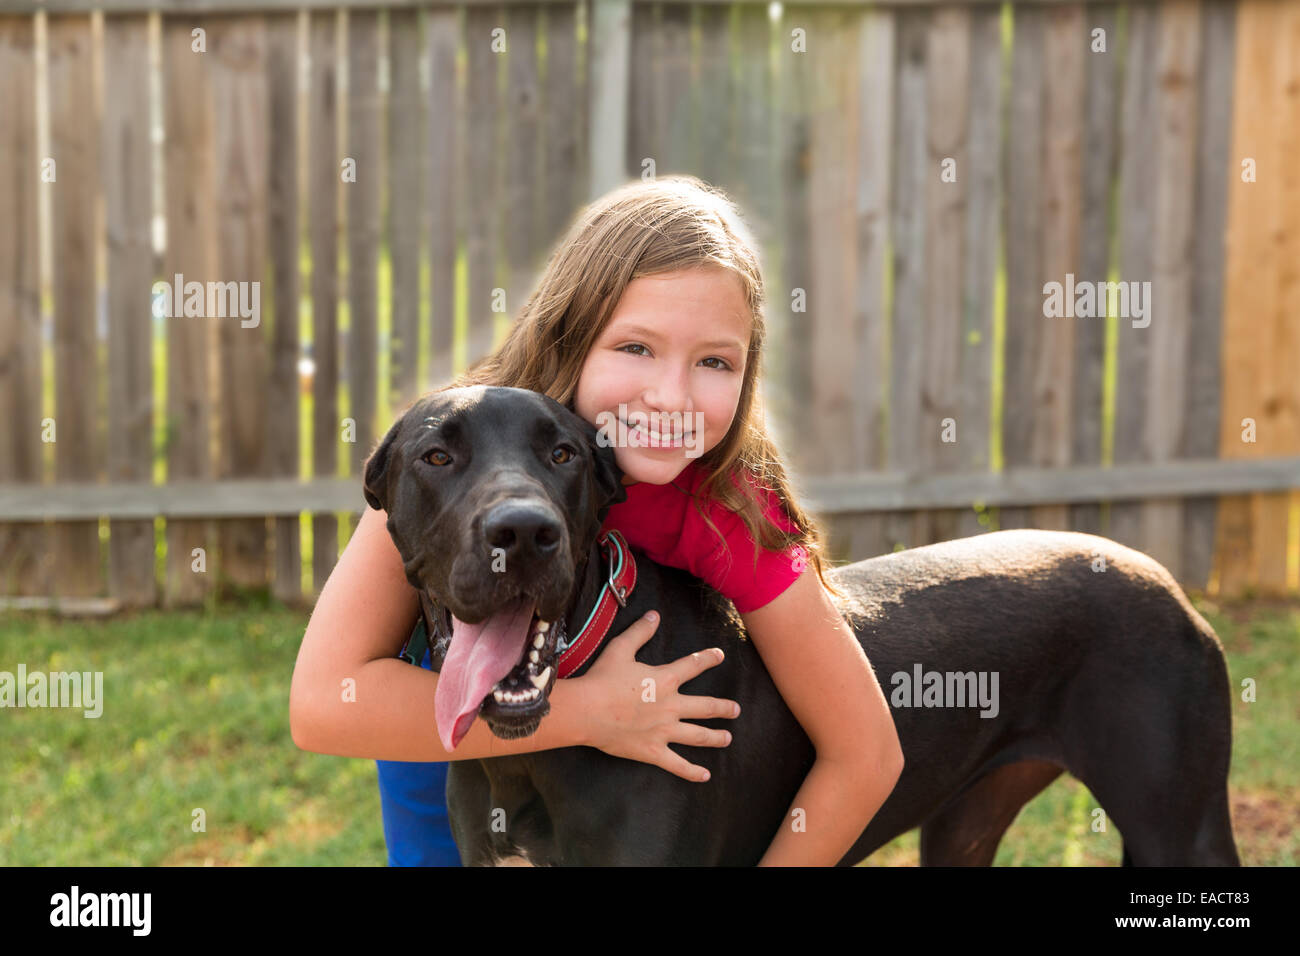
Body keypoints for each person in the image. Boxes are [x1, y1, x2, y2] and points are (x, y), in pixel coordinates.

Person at [290, 175, 904, 866]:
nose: (669, 395)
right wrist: (594, 712)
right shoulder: (450, 449)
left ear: (748, 374)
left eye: (713, 361)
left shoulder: (731, 513)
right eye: (636, 347)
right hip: (429, 731)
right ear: (570, 336)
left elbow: (866, 752)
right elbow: (322, 703)